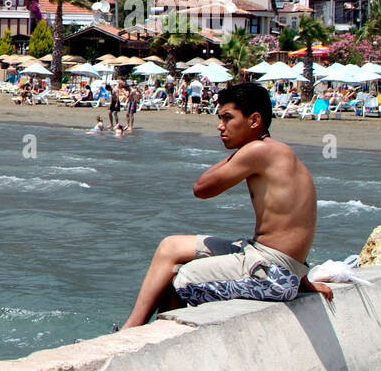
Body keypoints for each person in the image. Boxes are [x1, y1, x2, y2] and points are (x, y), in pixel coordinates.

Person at [121, 83, 333, 329]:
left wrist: (239, 152)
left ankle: (146, 338)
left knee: (182, 279)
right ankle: (133, 326)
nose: (220, 126)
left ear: (254, 120)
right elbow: (293, 226)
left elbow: (202, 188)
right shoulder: (279, 152)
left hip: (271, 272)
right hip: (279, 264)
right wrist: (302, 278)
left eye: (228, 118)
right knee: (171, 247)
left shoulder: (257, 151)